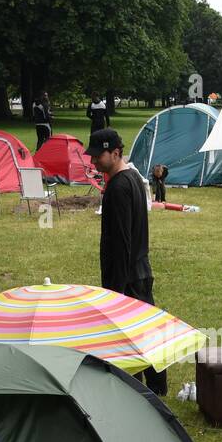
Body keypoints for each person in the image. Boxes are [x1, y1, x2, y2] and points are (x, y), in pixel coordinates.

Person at [84, 128, 166, 396]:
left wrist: (115, 292)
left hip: (128, 276)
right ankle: (156, 388)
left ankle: (137, 392)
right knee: (147, 334)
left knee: (130, 341)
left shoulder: (119, 187)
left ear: (115, 152)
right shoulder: (132, 178)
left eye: (99, 155)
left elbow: (121, 243)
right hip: (139, 271)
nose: (94, 161)